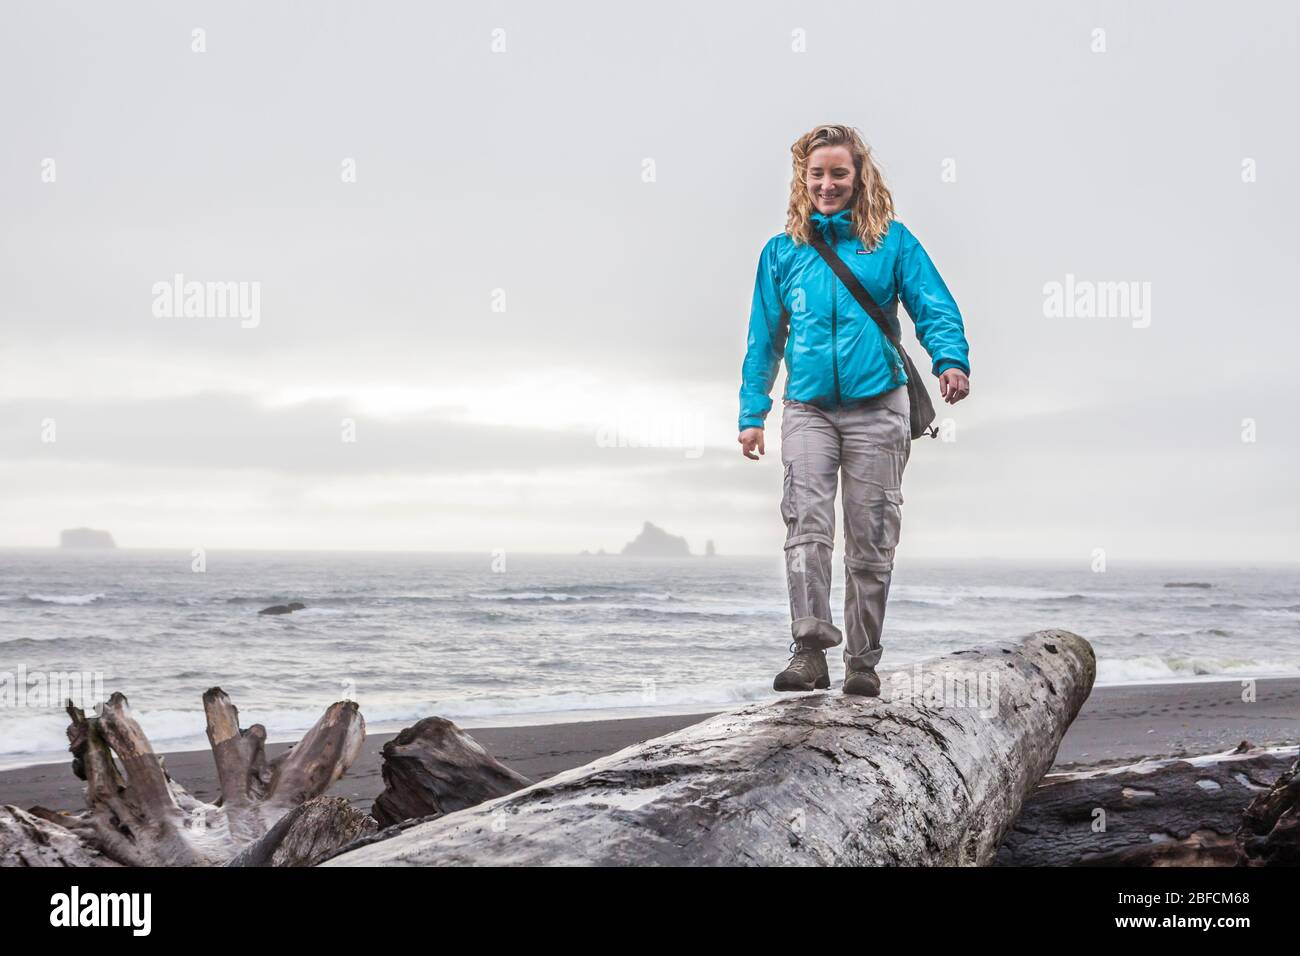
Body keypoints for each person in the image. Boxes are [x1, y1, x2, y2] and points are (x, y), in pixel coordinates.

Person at [737, 124, 971, 697]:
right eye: (816, 174)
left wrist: (950, 359)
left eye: (838, 173)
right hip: (807, 409)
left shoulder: (891, 241)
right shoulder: (782, 251)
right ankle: (808, 651)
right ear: (803, 179)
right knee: (807, 527)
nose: (827, 184)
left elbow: (933, 305)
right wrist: (752, 412)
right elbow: (763, 339)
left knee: (871, 536)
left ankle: (863, 663)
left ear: (859, 176)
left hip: (878, 407)